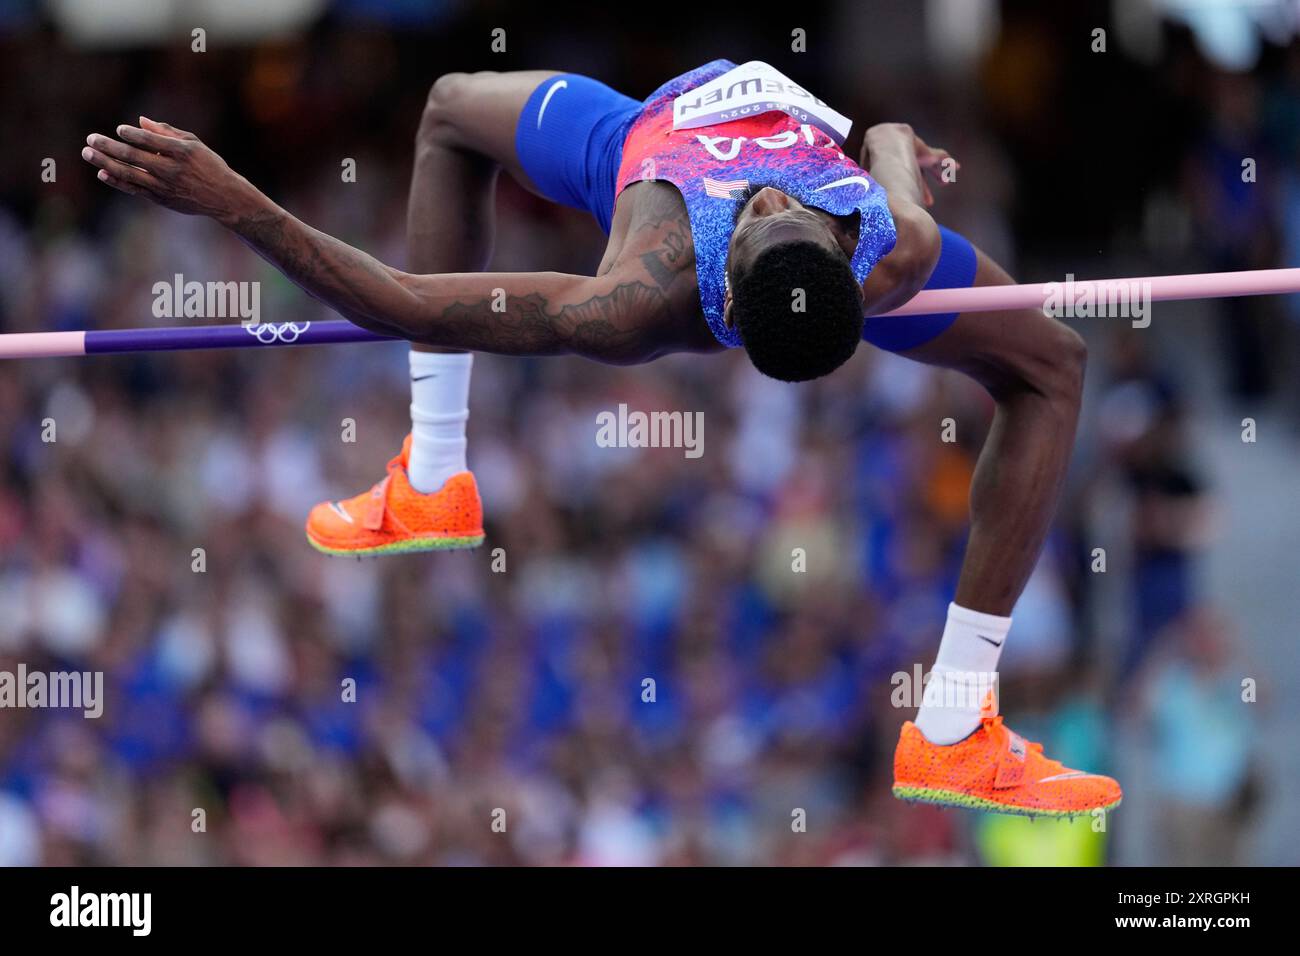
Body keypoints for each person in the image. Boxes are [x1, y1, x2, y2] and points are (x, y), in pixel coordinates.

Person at [80, 59, 1120, 817]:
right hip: (692, 115)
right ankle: (432, 479)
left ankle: (949, 727)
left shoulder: (659, 289)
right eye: (775, 207)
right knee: (446, 108)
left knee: (1049, 369)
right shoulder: (883, 235)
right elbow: (889, 139)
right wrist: (895, 141)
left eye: (767, 213)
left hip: (640, 136)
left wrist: (238, 204)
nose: (768, 193)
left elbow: (402, 298)